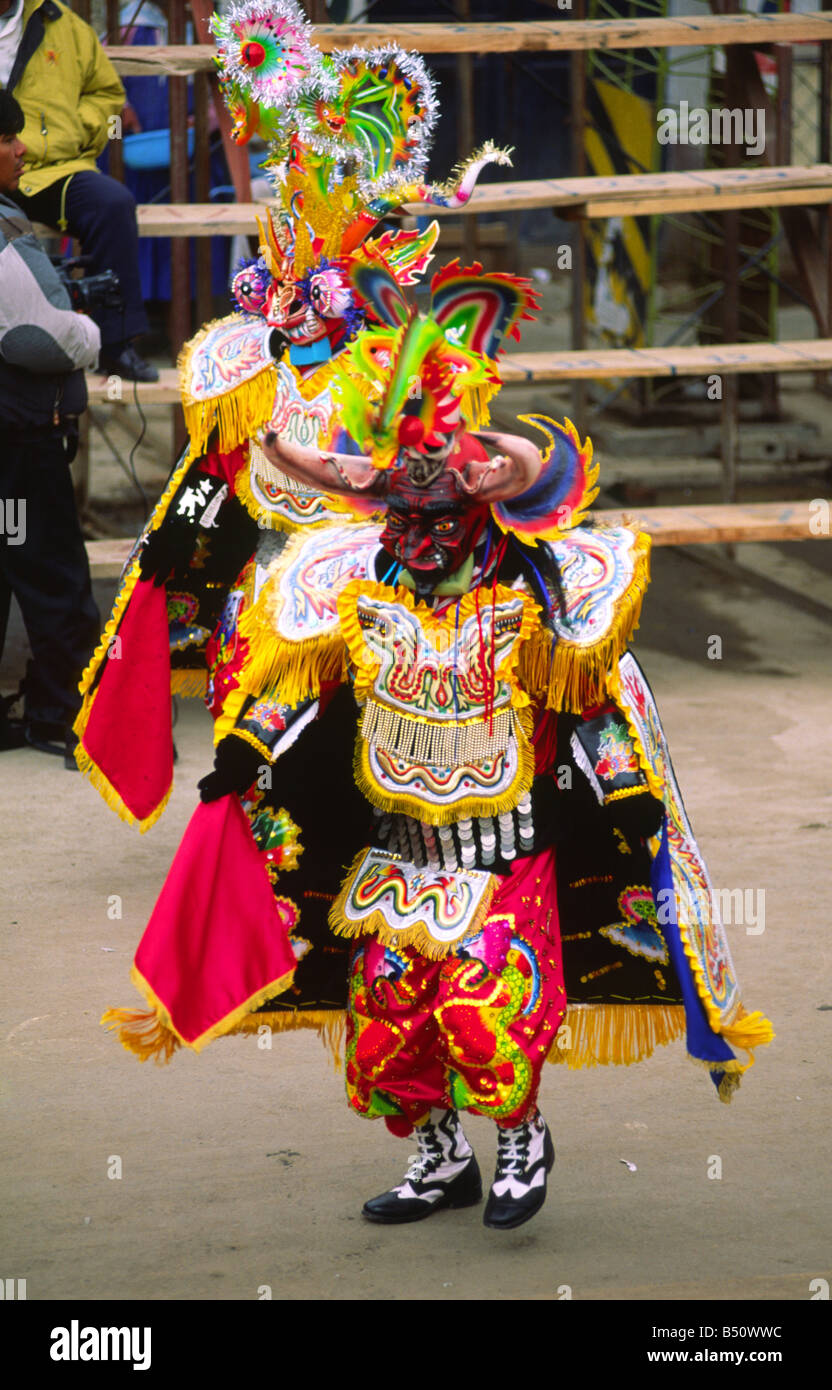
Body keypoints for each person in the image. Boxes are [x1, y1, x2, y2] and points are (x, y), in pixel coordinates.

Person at [98, 262, 773, 1231]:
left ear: (481, 514)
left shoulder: (533, 600)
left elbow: (586, 706)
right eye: (401, 517)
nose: (417, 538)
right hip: (394, 858)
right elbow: (305, 685)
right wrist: (249, 746)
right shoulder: (354, 586)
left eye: (439, 518)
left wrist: (624, 792)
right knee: (384, 1038)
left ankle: (521, 1139)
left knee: (483, 1017)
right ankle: (439, 1156)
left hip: (503, 858)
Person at [0, 87, 101, 761]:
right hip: (17, 440)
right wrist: (91, 330)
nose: (21, 148)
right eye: (7, 139)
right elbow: (37, 336)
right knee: (53, 573)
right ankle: (66, 714)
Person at [0, 0, 158, 382]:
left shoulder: (64, 24)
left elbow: (107, 93)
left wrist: (74, 130)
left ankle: (116, 345)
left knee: (113, 203)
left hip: (51, 171)